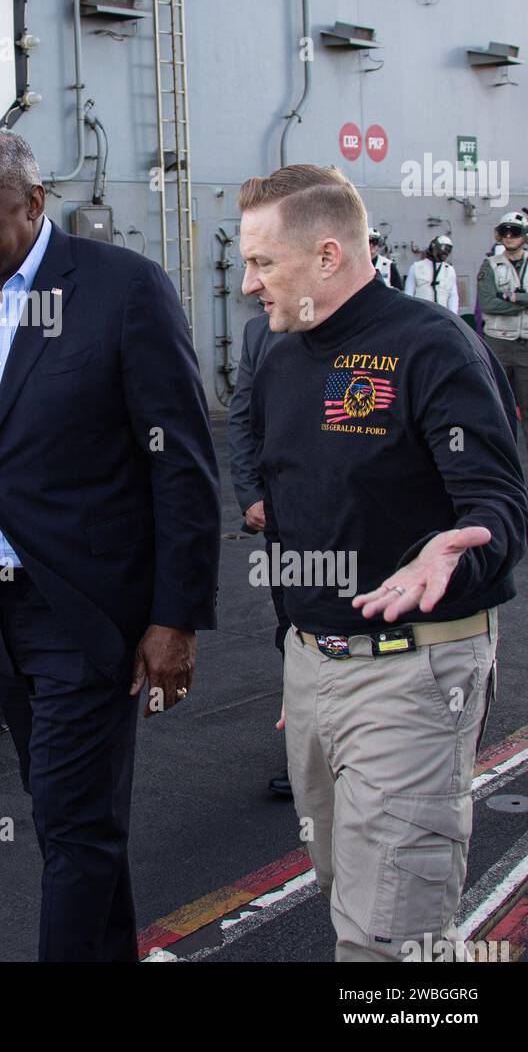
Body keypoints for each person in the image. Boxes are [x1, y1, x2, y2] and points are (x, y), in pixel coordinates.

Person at [0, 127, 220, 962]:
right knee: (74, 822)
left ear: (33, 203)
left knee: (71, 822)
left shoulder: (123, 290)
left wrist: (176, 618)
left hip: (86, 614)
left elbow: (183, 465)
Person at [241, 165, 526, 962]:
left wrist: (458, 552)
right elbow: (297, 516)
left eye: (263, 263)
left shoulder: (434, 347)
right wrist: (308, 654)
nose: (248, 283)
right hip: (316, 670)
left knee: (391, 934)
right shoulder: (277, 351)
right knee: (344, 889)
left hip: (414, 671)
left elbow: (498, 505)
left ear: (327, 255)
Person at [227, 308, 288, 795]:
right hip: (286, 518)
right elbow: (243, 415)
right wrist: (249, 493)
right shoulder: (259, 331)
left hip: (355, 522)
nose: (251, 284)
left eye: (264, 264)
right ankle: (307, 746)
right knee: (294, 631)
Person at [477, 210, 528, 448]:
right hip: (498, 343)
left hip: (525, 345)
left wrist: (511, 297)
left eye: (515, 232)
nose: (509, 236)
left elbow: (499, 302)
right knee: (497, 408)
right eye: (504, 231)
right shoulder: (491, 265)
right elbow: (488, 304)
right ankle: (503, 463)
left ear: (524, 235)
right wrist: (522, 302)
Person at [405, 234, 458, 313]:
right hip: (421, 315)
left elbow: (453, 296)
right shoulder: (416, 267)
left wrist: (453, 316)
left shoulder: (450, 270)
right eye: (443, 248)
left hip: (442, 316)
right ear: (434, 248)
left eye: (449, 250)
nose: (446, 252)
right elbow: (408, 295)